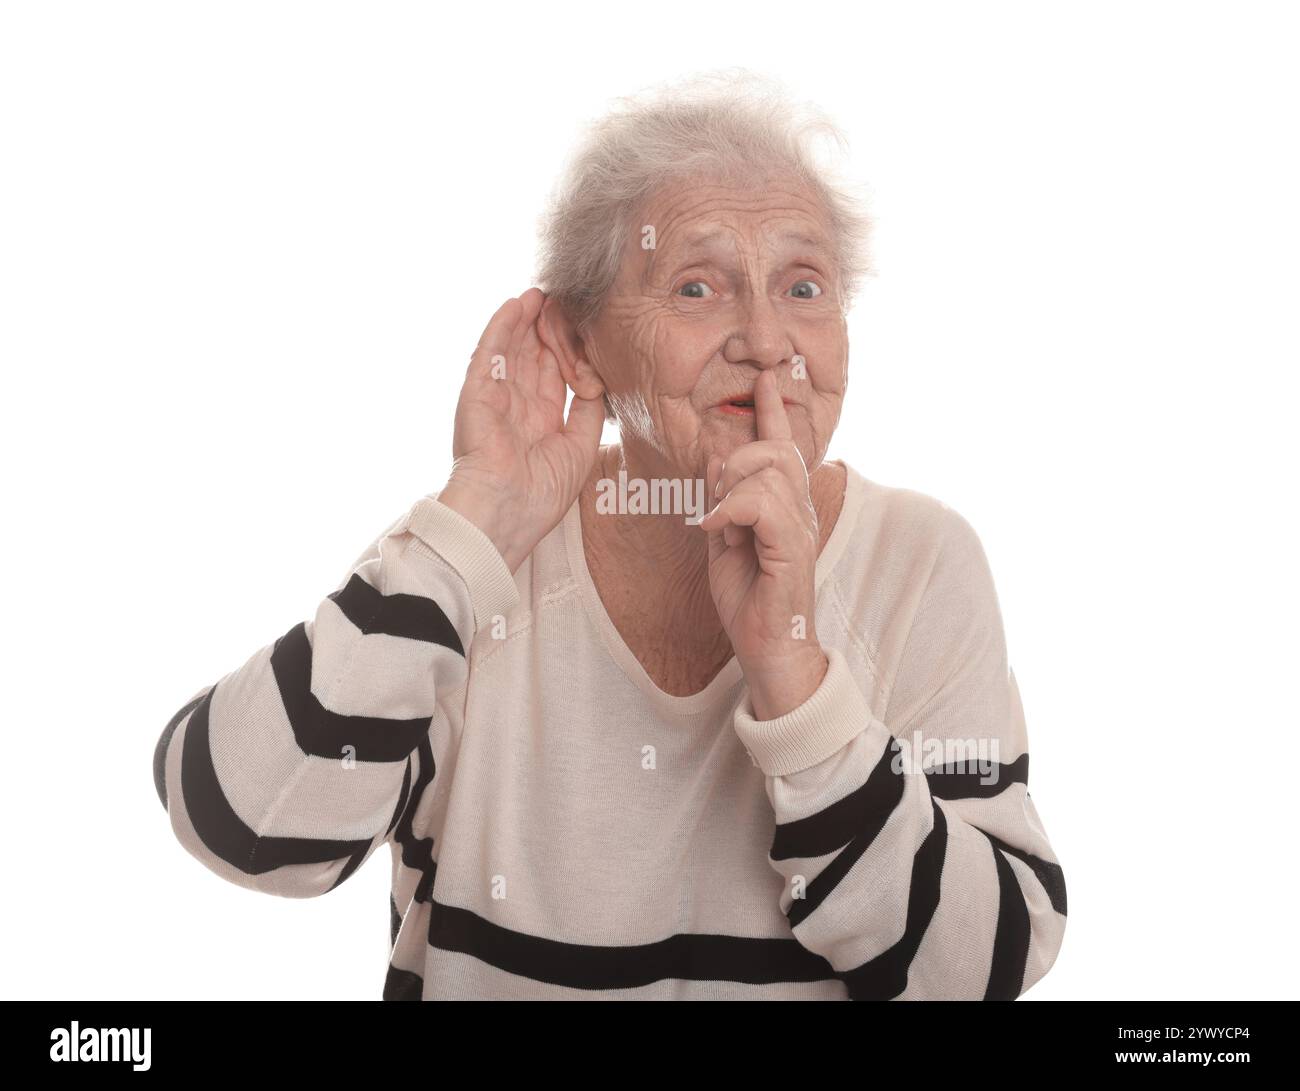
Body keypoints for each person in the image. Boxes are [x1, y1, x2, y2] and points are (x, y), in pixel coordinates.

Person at [153, 71, 1067, 1000]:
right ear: (585, 344)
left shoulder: (921, 561)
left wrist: (797, 683)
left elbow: (980, 969)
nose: (764, 339)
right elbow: (248, 827)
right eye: (698, 286)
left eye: (803, 285)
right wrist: (475, 518)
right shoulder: (472, 564)